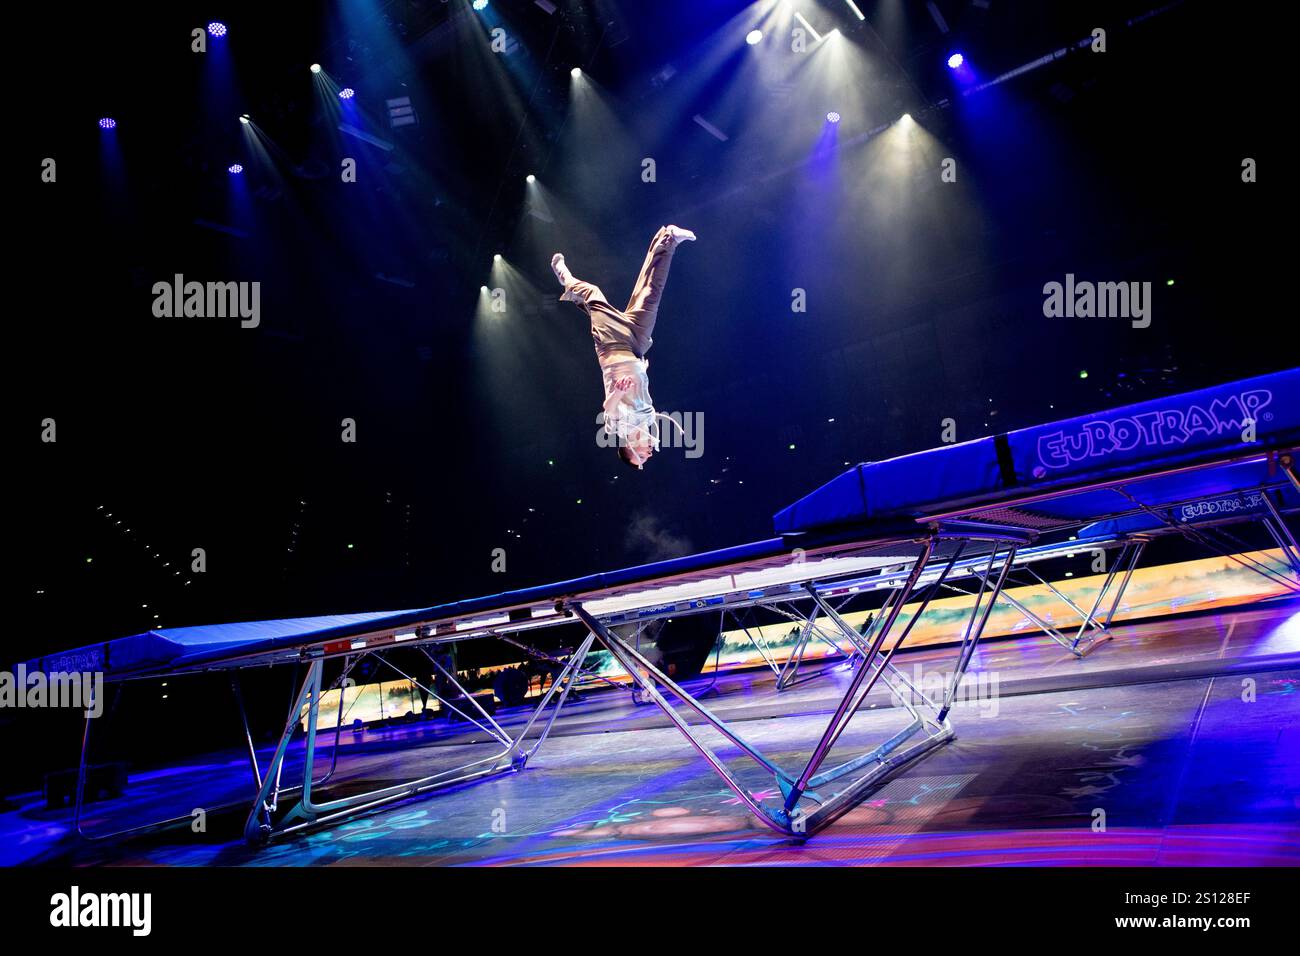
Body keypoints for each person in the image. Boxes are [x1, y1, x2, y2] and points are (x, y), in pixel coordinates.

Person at [550, 225, 696, 469]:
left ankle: (563, 276)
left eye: (645, 455)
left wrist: (617, 392)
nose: (650, 452)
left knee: (592, 294)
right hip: (636, 344)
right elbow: (641, 391)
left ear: (631, 450)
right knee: (651, 292)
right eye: (649, 455)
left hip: (612, 344)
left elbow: (608, 407)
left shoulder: (618, 427)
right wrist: (642, 370)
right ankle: (669, 238)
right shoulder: (648, 418)